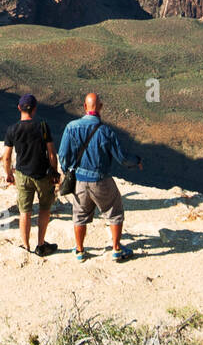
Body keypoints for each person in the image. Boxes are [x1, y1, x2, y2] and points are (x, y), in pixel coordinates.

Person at [57, 91, 142, 263]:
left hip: (79, 180)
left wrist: (67, 172)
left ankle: (80, 250)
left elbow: (63, 155)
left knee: (79, 216)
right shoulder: (106, 131)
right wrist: (137, 161)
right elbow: (122, 158)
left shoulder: (71, 127)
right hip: (101, 180)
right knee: (114, 212)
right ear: (101, 107)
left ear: (84, 106)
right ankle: (116, 249)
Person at [2, 93, 59, 256]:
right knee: (44, 209)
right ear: (34, 109)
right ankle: (41, 244)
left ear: (19, 108)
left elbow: (6, 156)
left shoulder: (12, 129)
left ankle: (25, 246)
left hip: (22, 174)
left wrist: (8, 174)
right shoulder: (42, 126)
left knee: (25, 211)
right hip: (42, 174)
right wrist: (54, 171)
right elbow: (52, 154)